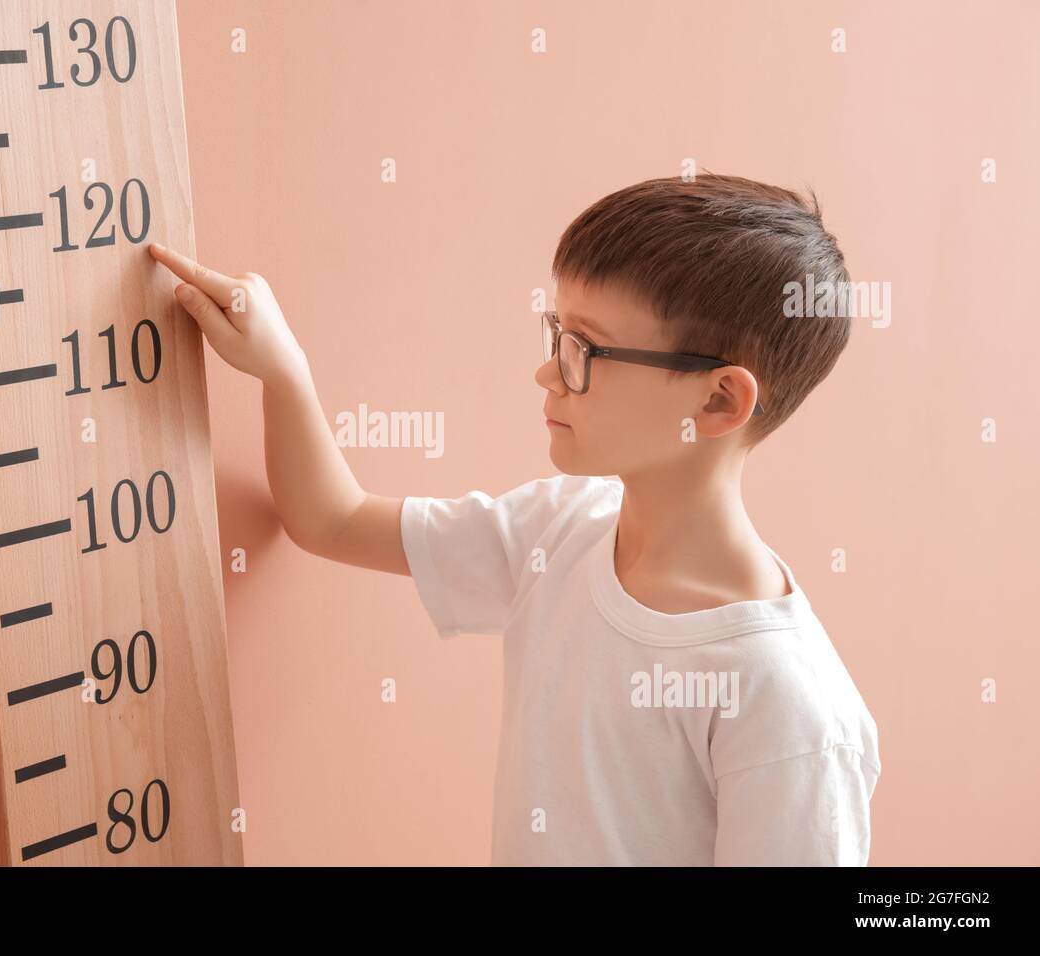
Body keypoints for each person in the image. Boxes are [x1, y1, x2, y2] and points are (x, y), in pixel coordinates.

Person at [147, 172, 880, 866]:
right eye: (554, 333)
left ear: (719, 402)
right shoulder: (558, 532)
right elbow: (332, 521)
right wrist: (284, 370)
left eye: (583, 349)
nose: (548, 371)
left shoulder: (789, 708)